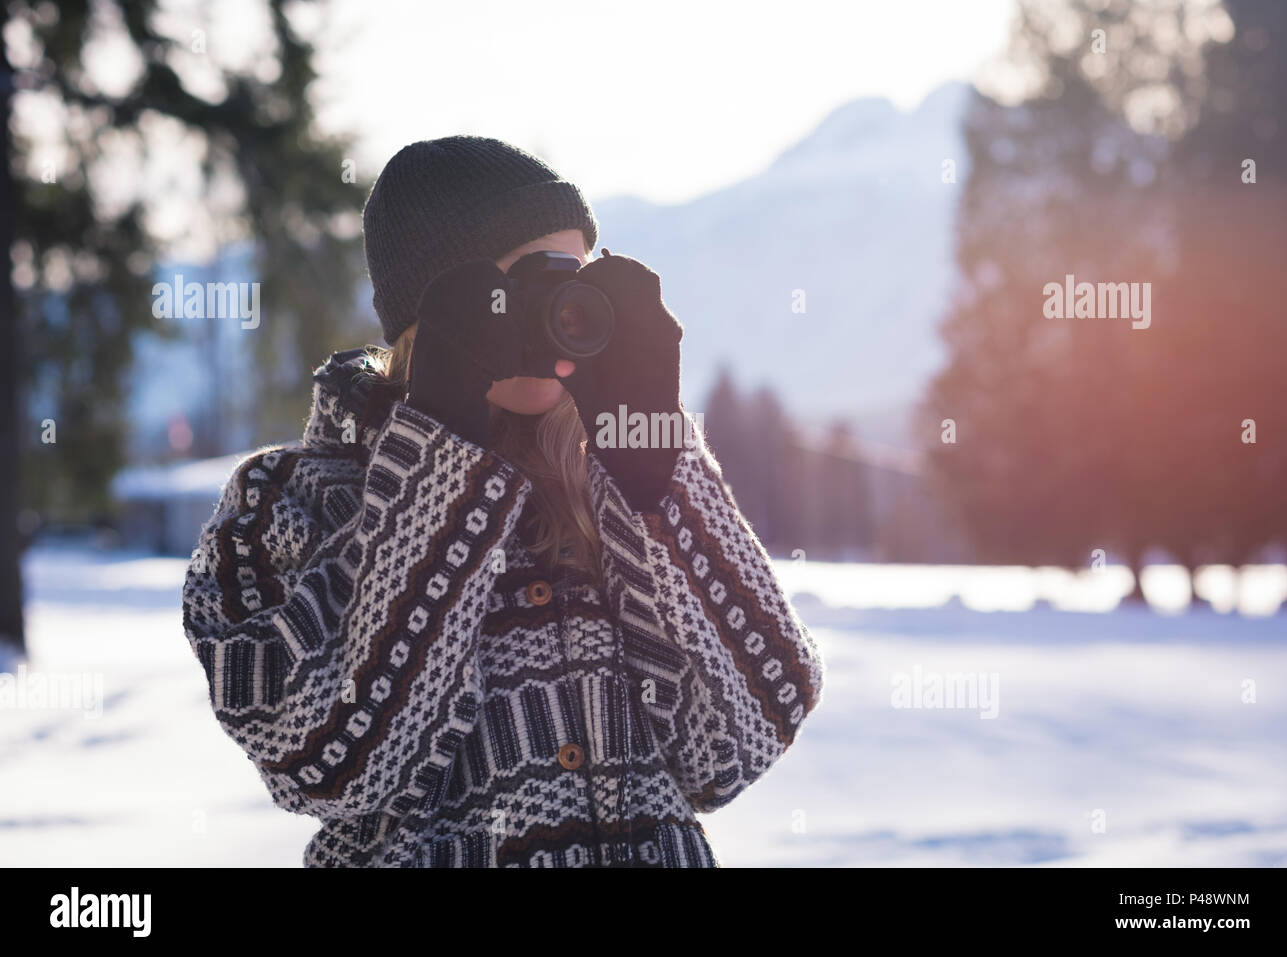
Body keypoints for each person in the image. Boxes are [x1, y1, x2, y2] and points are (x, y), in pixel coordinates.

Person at [181, 135, 825, 867]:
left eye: (575, 282)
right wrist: (439, 452)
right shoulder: (287, 502)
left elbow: (747, 736)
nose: (562, 316)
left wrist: (654, 473)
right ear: (437, 307)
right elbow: (323, 762)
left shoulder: (612, 472)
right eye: (528, 289)